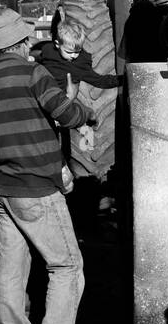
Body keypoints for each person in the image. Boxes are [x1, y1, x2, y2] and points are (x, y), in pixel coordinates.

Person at [0, 8, 100, 324]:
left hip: (3, 192)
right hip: (37, 190)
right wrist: (88, 114)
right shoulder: (32, 72)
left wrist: (3, 155)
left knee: (10, 270)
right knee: (67, 265)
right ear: (21, 42)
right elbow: (65, 113)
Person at [35, 15, 120, 231]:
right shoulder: (45, 61)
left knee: (84, 129)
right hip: (47, 109)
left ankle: (78, 207)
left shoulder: (79, 63)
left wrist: (120, 79)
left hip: (64, 111)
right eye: (70, 52)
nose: (74, 56)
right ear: (56, 43)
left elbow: (98, 80)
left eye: (77, 52)